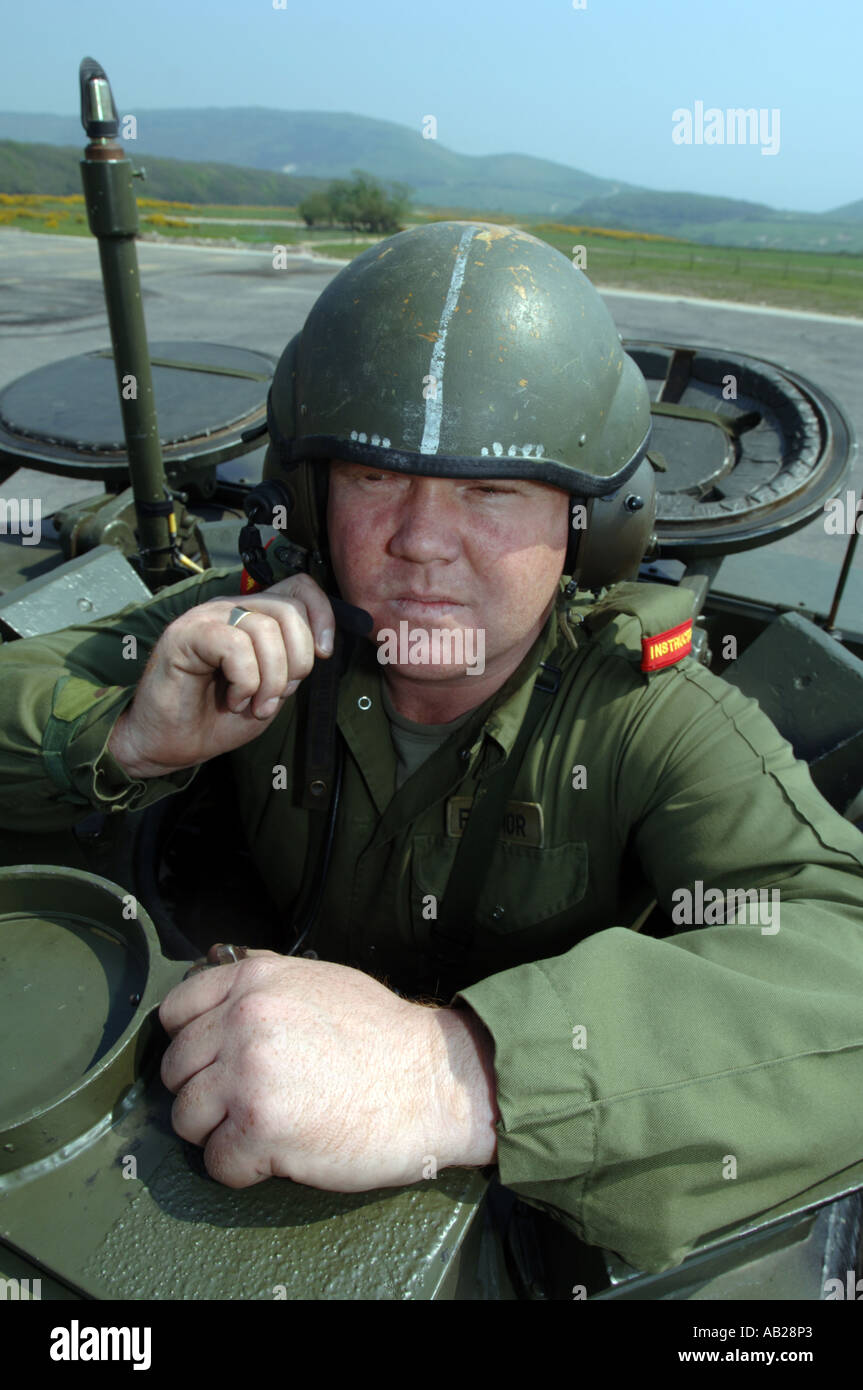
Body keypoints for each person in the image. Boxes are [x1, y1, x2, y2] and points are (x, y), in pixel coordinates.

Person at [1, 221, 862, 1278]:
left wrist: (451, 1073)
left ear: (587, 528)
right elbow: (30, 684)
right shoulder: (261, 628)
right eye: (373, 477)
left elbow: (840, 960)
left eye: (489, 491)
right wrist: (123, 737)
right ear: (316, 499)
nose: (418, 538)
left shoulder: (640, 712)